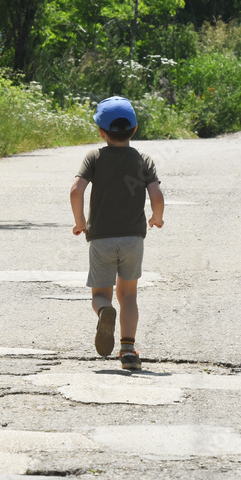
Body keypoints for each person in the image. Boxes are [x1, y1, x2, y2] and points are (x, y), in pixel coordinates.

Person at [70, 96, 164, 370]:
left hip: (101, 238)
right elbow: (156, 195)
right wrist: (157, 218)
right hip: (133, 238)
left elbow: (76, 190)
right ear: (135, 129)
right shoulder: (143, 159)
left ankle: (103, 312)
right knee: (129, 295)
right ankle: (128, 350)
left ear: (100, 131)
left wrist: (80, 221)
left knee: (101, 294)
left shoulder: (95, 157)